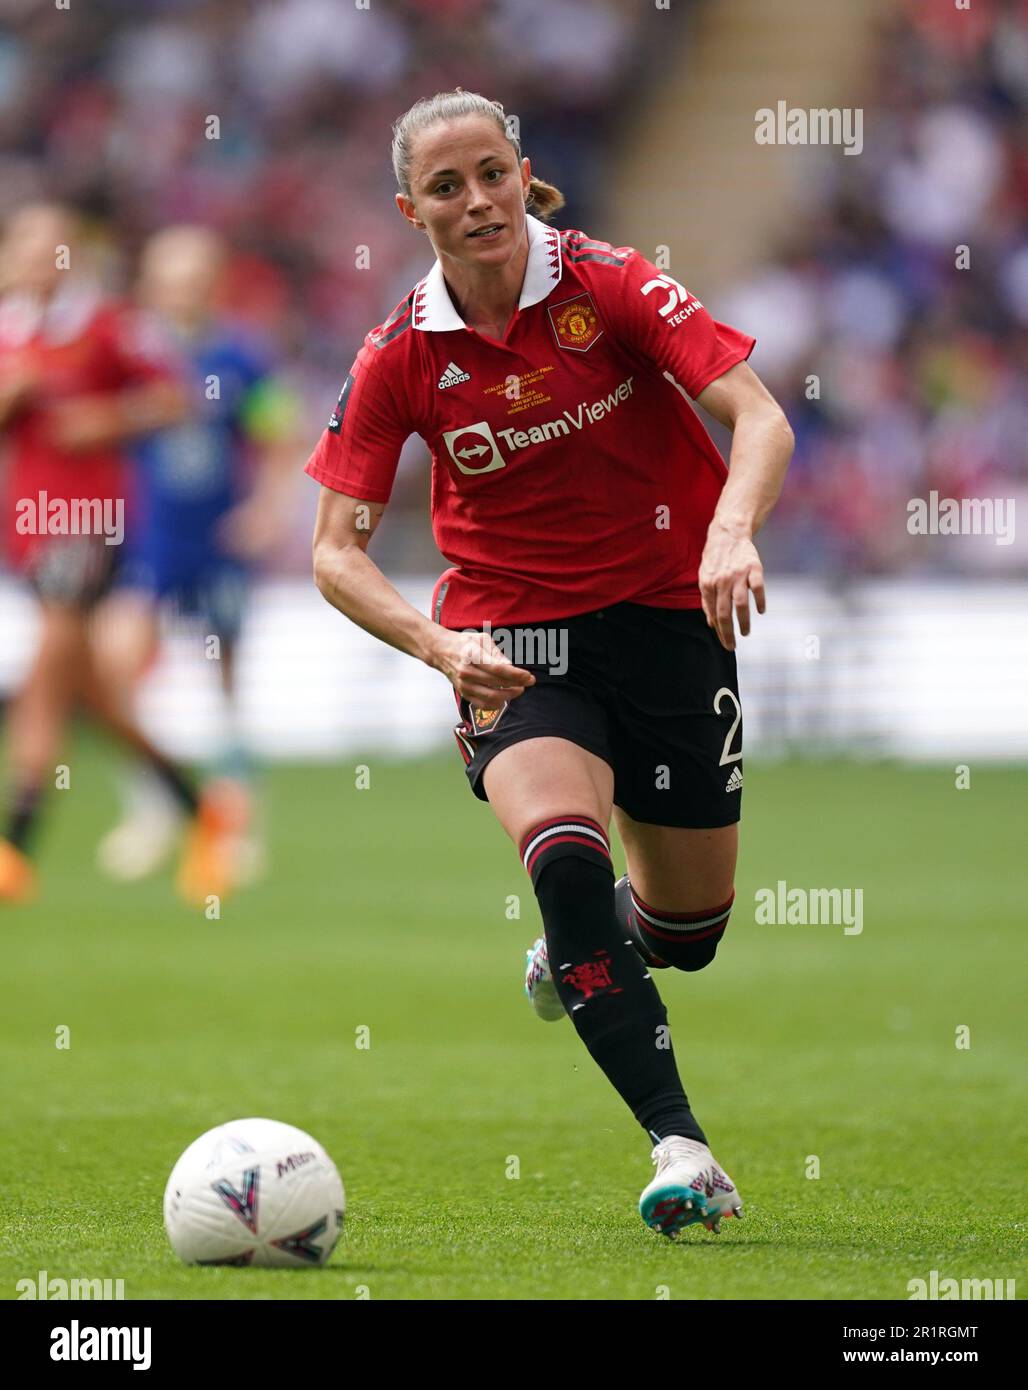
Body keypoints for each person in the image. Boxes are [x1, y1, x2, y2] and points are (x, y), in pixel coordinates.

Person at [306, 91, 794, 1237]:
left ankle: (586, 947)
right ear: (409, 209)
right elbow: (335, 553)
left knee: (688, 933)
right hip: (514, 642)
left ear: (523, 174)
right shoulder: (398, 355)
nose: (475, 201)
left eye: (490, 174)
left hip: (670, 623)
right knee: (565, 858)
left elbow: (759, 418)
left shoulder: (609, 283)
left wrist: (729, 529)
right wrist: (436, 644)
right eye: (445, 186)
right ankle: (682, 1146)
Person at [0, 203, 231, 906]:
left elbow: (176, 399)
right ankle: (204, 813)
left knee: (49, 664)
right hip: (28, 530)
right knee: (94, 695)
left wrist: (108, 419)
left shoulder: (105, 326)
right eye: (27, 247)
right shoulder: (10, 332)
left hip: (88, 526)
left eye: (52, 249)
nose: (39, 261)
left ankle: (17, 843)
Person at [93, 225, 298, 886]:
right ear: (150, 285)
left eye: (195, 280)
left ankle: (237, 824)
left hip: (217, 543)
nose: (183, 292)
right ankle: (156, 806)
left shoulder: (242, 357)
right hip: (147, 539)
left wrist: (265, 508)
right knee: (118, 669)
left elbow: (279, 434)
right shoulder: (125, 351)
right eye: (171, 280)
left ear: (214, 284)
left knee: (227, 687)